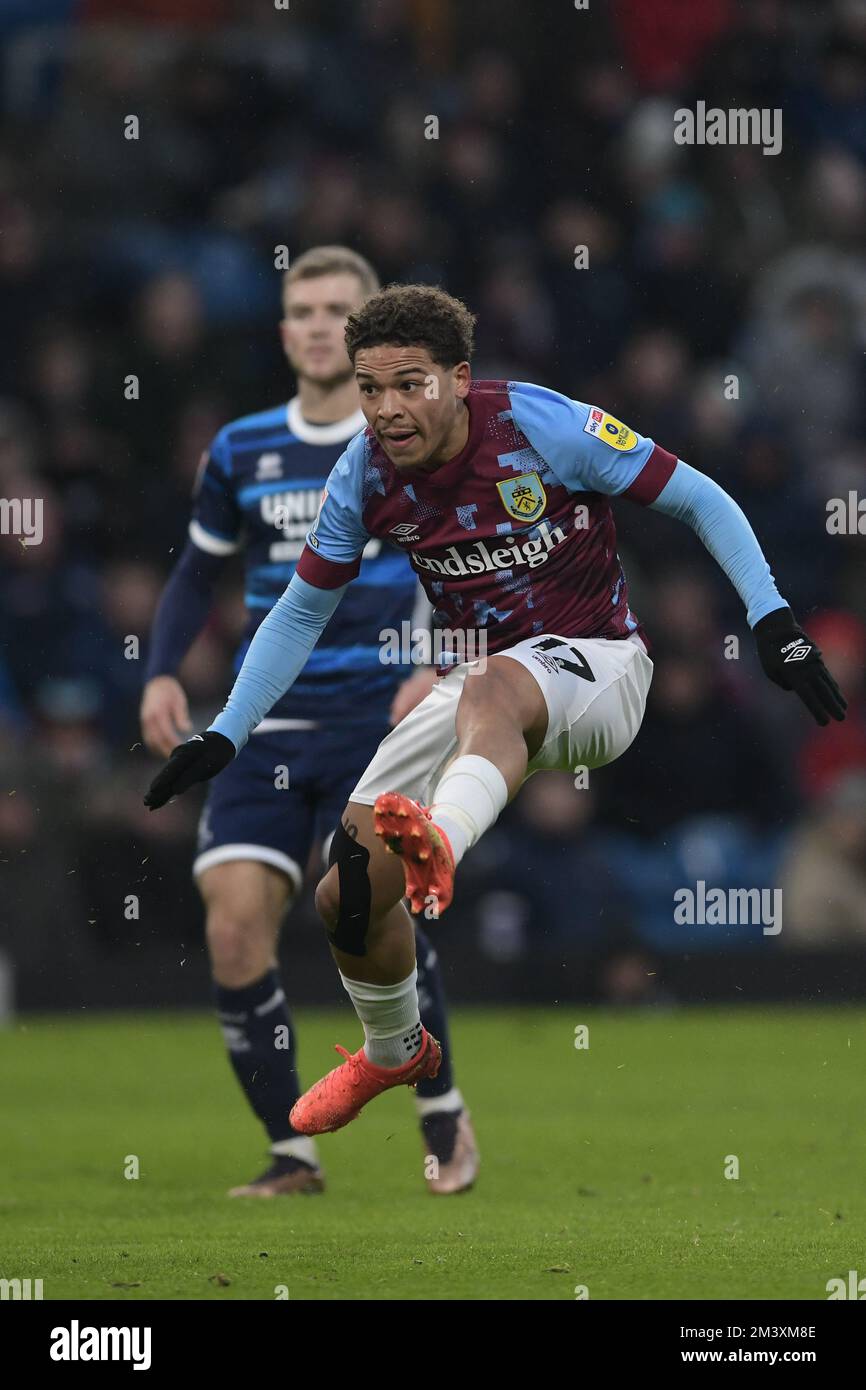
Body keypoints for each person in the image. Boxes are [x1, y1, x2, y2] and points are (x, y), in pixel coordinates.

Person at [145, 283, 845, 1140]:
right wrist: (228, 729)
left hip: (602, 668)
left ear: (459, 377)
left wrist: (771, 618)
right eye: (370, 389)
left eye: (410, 384)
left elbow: (701, 496)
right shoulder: (363, 471)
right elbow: (300, 611)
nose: (388, 409)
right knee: (348, 890)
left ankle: (443, 840)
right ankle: (395, 1047)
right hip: (482, 685)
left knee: (491, 688)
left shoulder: (541, 426)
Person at [140, 262, 477, 1195]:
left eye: (339, 311)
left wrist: (438, 663)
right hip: (268, 729)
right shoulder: (241, 449)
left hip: (380, 721)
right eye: (302, 311)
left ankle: (440, 1110)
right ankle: (292, 1151)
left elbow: (473, 561)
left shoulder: (417, 441)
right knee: (235, 930)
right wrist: (163, 668)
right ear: (284, 333)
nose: (320, 326)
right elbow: (194, 575)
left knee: (376, 912)